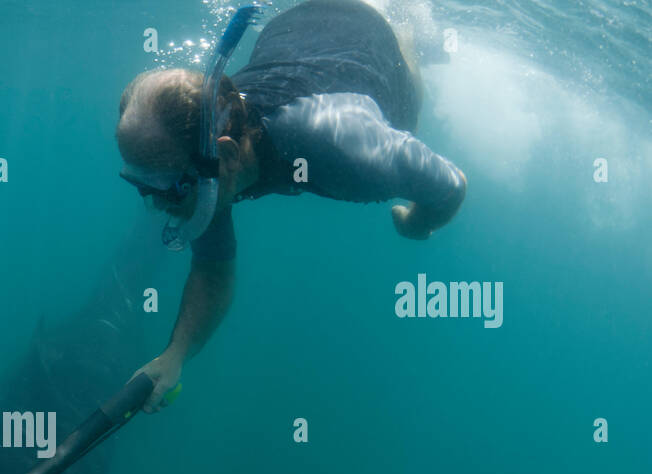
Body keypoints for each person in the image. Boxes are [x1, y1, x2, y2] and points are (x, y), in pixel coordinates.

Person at [118, 0, 468, 411]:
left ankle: (403, 30)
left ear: (227, 156)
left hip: (367, 32)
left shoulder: (344, 144)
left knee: (407, 120)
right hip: (294, 25)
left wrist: (417, 223)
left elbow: (450, 186)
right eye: (142, 186)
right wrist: (175, 354)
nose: (157, 204)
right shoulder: (210, 152)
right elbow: (211, 271)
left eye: (168, 188)